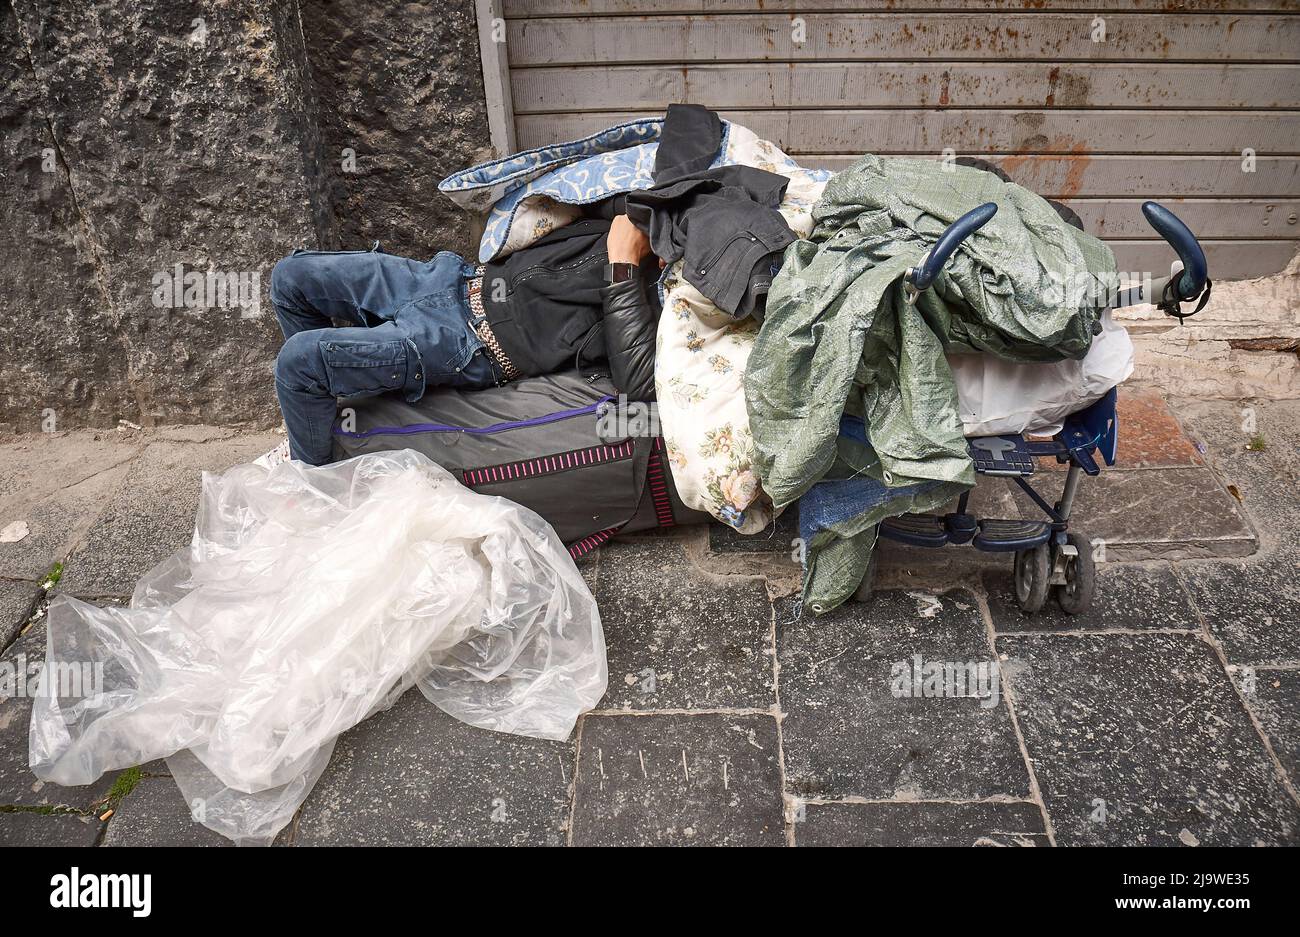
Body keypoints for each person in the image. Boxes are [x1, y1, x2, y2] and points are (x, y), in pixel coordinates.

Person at [266, 199, 660, 465]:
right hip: (450, 278)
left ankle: (313, 481)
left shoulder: (676, 310)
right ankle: (324, 420)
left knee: (300, 363)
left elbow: (640, 384)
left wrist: (623, 264)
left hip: (468, 345)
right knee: (291, 277)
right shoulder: (661, 217)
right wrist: (643, 214)